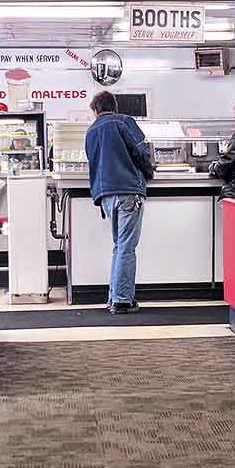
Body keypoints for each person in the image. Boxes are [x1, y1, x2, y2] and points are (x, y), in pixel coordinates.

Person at [85, 90, 154, 315]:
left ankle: (114, 296)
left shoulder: (91, 130)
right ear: (114, 106)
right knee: (126, 246)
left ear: (96, 110)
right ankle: (122, 300)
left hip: (105, 194)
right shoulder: (124, 121)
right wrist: (148, 173)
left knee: (119, 245)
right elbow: (142, 151)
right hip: (128, 191)